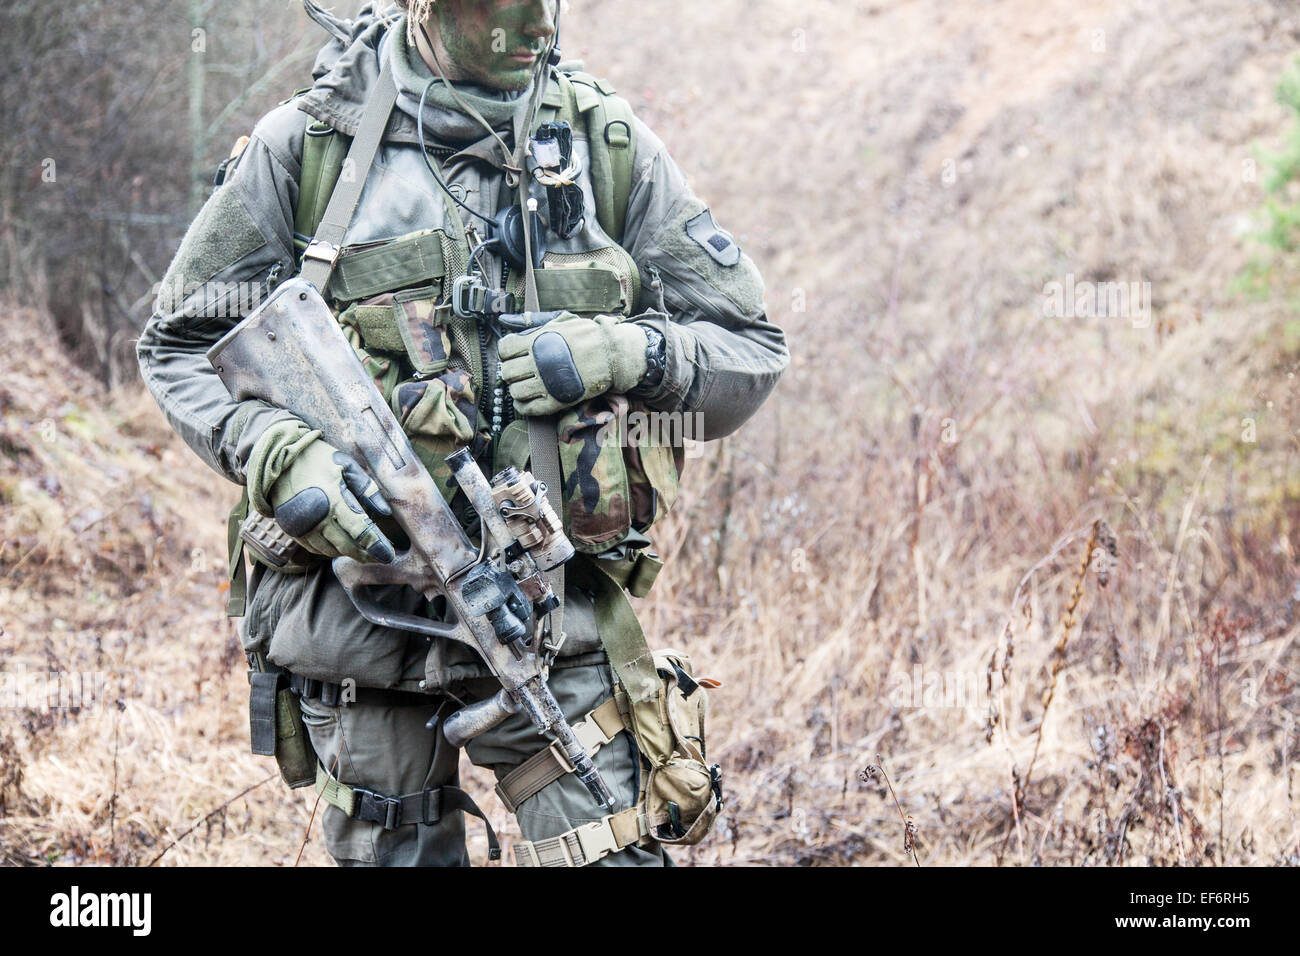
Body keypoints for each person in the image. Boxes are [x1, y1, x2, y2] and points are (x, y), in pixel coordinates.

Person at [136, 0, 787, 867]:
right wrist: (278, 453)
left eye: (545, 6)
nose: (536, 31)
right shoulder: (308, 148)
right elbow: (179, 340)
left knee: (617, 852)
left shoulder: (603, 147)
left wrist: (629, 350)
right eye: (501, 10)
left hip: (549, 625)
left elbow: (750, 349)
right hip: (357, 623)